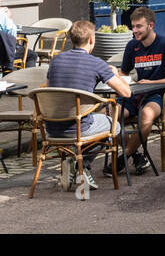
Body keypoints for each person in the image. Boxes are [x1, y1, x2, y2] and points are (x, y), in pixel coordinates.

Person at [46, 20, 132, 191]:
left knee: (95, 119)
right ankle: (79, 163)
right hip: (78, 127)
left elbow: (48, 88)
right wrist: (115, 73)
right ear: (92, 40)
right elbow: (126, 93)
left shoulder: (56, 61)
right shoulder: (96, 63)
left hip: (51, 126)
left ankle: (76, 164)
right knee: (113, 126)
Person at [114, 6, 165, 176]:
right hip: (135, 94)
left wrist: (154, 81)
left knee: (146, 115)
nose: (135, 31)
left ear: (151, 25)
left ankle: (124, 156)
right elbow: (123, 72)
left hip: (158, 95)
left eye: (139, 26)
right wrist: (113, 75)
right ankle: (136, 154)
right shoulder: (132, 46)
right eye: (133, 26)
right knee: (109, 115)